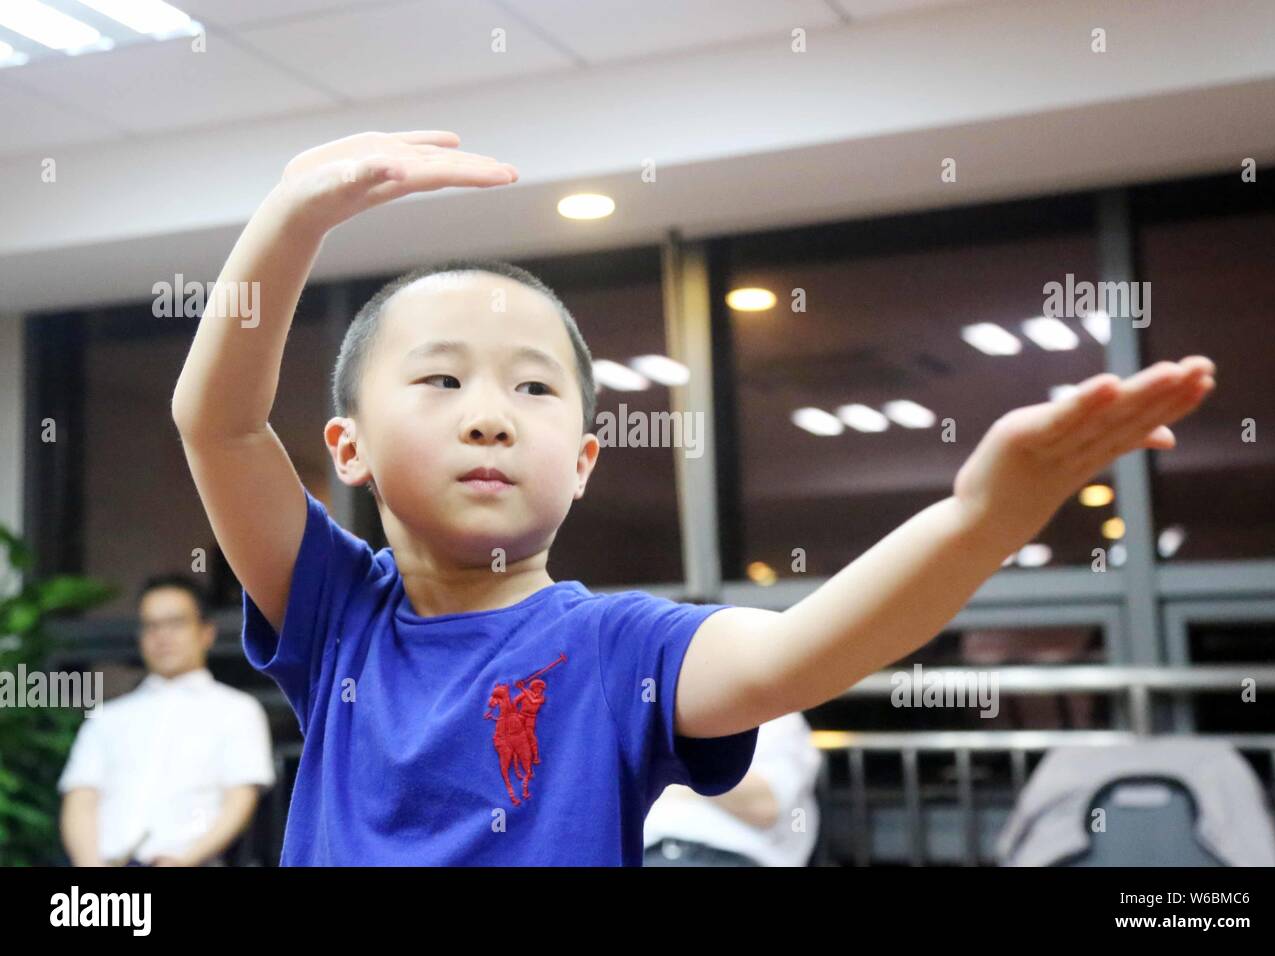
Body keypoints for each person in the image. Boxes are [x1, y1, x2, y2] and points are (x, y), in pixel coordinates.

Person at [169, 129, 1216, 865]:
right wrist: (292, 216)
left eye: (533, 388)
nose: (489, 415)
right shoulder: (339, 616)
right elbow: (217, 422)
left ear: (582, 461)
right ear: (346, 447)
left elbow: (798, 650)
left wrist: (981, 519)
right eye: (442, 379)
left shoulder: (621, 647)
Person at [58, 575, 275, 866]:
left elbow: (240, 801)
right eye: (152, 625)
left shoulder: (237, 711)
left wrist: (185, 861)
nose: (163, 636)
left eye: (176, 623)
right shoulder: (106, 718)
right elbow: (81, 800)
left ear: (206, 632)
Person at [644, 712, 823, 866]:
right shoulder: (652, 712)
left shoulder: (777, 717)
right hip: (643, 855)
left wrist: (683, 774)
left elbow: (765, 805)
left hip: (730, 856)